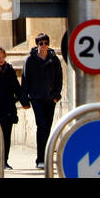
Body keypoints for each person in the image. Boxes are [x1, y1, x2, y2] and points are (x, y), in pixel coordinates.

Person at [23, 32, 63, 169]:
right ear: (37, 44)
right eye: (41, 43)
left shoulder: (54, 59)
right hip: (36, 98)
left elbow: (59, 78)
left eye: (46, 43)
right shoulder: (30, 60)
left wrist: (57, 95)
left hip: (50, 99)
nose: (44, 46)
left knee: (47, 128)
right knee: (42, 126)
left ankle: (46, 156)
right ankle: (40, 158)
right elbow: (25, 80)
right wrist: (25, 100)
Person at [0, 47, 27, 169]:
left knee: (7, 135)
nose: (1, 59)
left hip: (8, 107)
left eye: (2, 56)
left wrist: (23, 101)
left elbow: (17, 87)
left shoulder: (9, 70)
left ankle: (4, 161)